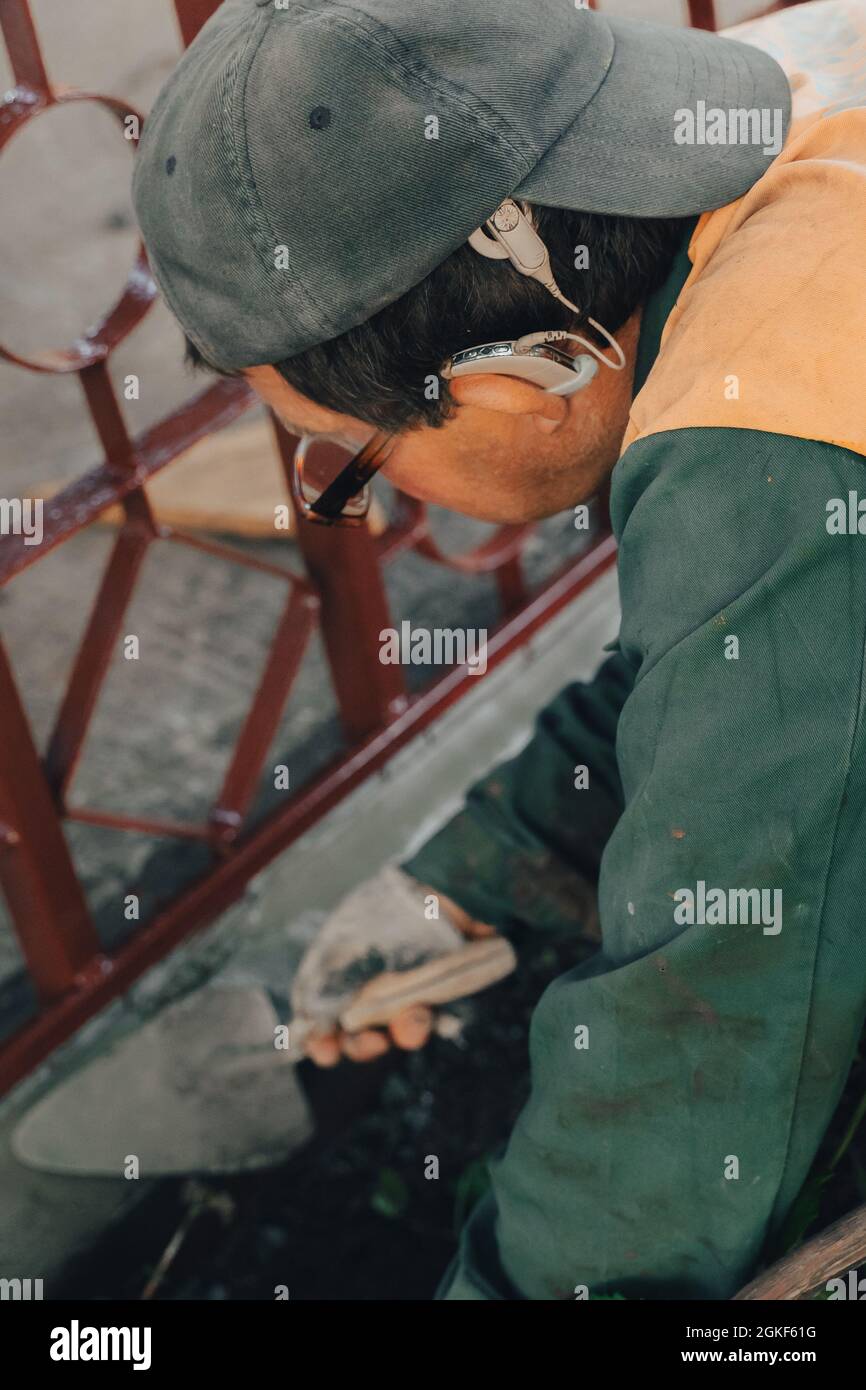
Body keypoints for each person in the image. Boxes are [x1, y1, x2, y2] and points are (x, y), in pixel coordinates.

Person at [132, 0, 866, 1299]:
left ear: (519, 370)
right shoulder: (799, 98)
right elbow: (743, 666)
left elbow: (707, 1045)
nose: (386, 502)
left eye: (345, 457)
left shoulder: (767, 457)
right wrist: (477, 872)